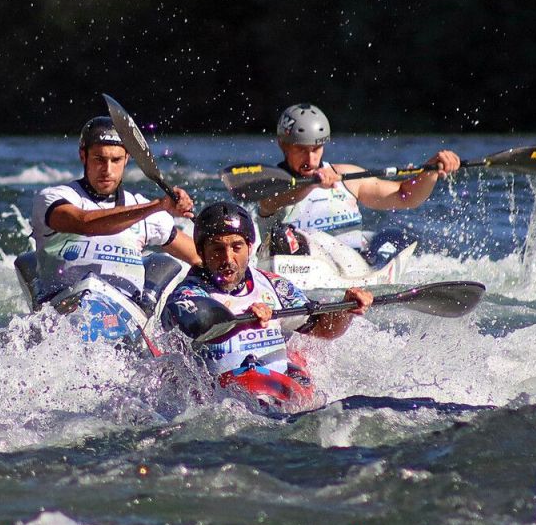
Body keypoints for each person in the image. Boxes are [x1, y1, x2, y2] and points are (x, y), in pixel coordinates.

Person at [163, 202, 373, 399]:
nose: (228, 259)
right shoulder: (188, 294)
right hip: (219, 394)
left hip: (275, 388)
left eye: (237, 248)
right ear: (201, 252)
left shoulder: (274, 286)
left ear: (250, 247)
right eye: (217, 249)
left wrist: (347, 309)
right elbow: (198, 320)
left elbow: (323, 329)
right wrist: (243, 322)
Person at [255, 103, 461, 267]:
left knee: (392, 237)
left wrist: (430, 170)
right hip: (299, 267)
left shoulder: (346, 176)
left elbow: (405, 195)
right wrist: (312, 184)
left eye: (316, 149)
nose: (310, 158)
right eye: (301, 149)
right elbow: (270, 203)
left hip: (351, 266)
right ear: (283, 144)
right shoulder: (269, 184)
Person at [28, 116, 200, 308]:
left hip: (124, 311)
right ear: (83, 156)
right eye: (99, 159)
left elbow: (199, 258)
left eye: (116, 160)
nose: (107, 170)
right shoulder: (52, 198)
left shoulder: (148, 215)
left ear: (127, 159)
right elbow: (85, 223)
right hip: (63, 305)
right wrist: (158, 206)